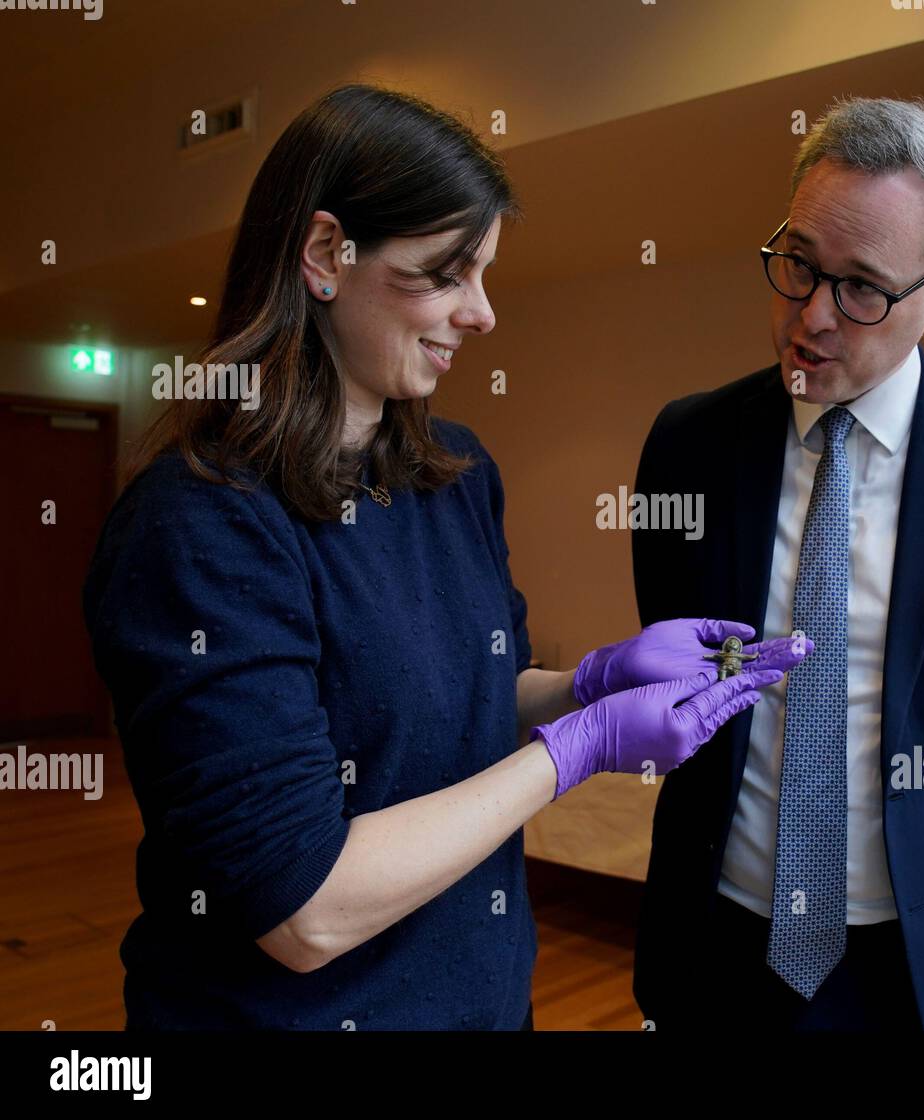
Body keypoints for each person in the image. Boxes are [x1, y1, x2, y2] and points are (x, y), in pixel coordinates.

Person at [81, 83, 807, 1031]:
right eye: (448, 273)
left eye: (487, 273)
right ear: (324, 256)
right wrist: (579, 750)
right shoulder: (201, 523)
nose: (483, 313)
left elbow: (449, 708)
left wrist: (588, 683)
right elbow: (303, 909)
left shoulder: (453, 478)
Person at [630, 96, 924, 1030]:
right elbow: (686, 657)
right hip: (720, 950)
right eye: (799, 263)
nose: (812, 315)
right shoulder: (687, 446)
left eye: (862, 288)